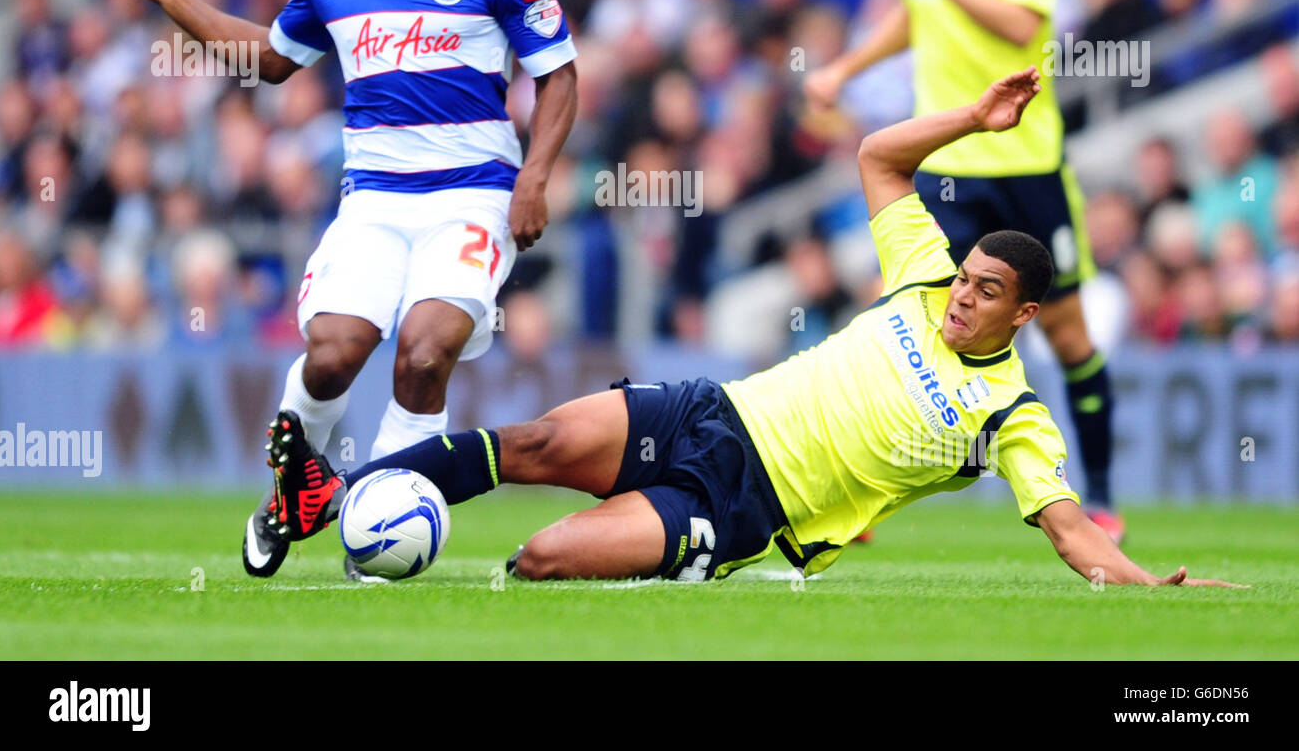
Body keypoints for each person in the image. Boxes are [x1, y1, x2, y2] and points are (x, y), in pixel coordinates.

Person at [267, 69, 1240, 589]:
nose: (960, 295)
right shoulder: (921, 274)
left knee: (542, 560)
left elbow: (1069, 531)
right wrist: (971, 122)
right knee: (532, 441)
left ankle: (684, 558)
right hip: (709, 410)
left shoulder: (1011, 414)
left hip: (744, 501)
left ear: (1024, 313)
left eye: (984, 292)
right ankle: (328, 495)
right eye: (965, 276)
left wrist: (1145, 581)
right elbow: (875, 155)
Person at [96, 0, 578, 578]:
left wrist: (535, 175)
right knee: (333, 354)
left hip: (473, 197)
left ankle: (373, 524)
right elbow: (270, 60)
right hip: (374, 203)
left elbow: (557, 75)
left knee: (424, 352)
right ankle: (291, 489)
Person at [804, 0, 1127, 544]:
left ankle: (1102, 498)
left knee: (1069, 334)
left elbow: (1020, 27)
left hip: (1027, 162)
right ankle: (851, 497)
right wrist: (844, 68)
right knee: (908, 321)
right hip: (948, 161)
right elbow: (919, 17)